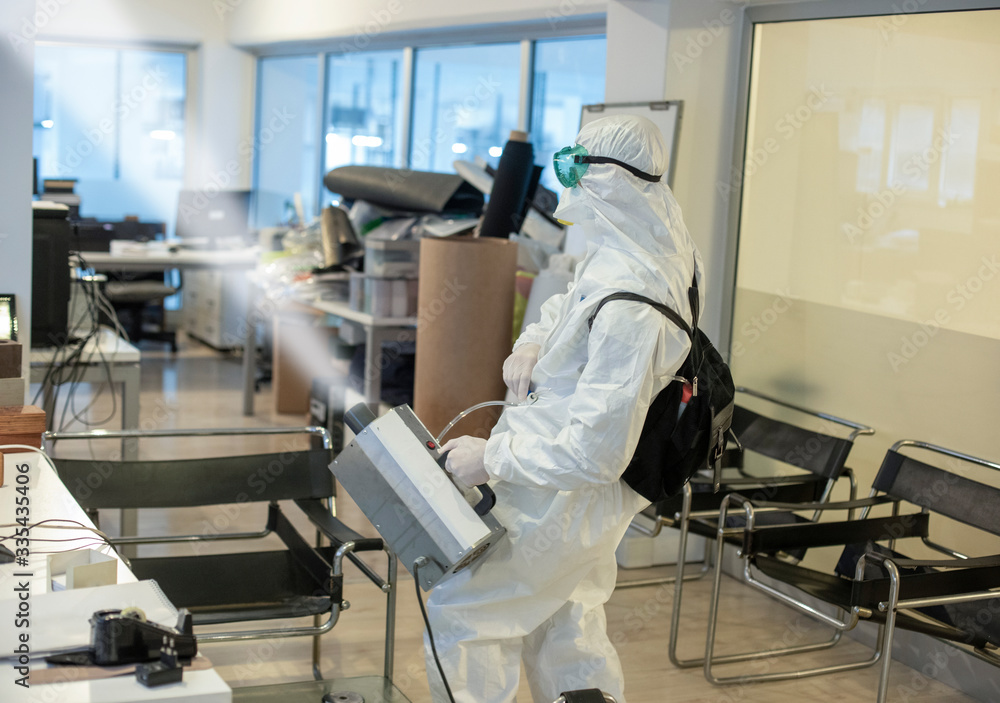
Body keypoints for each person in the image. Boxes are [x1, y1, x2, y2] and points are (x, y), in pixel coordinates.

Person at [434, 114, 705, 703]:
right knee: (566, 621)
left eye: (578, 169)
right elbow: (569, 299)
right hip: (558, 476)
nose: (569, 184)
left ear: (615, 179)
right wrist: (532, 340)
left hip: (568, 491)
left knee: (465, 613)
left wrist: (494, 459)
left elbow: (597, 451)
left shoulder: (637, 305)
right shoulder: (634, 247)